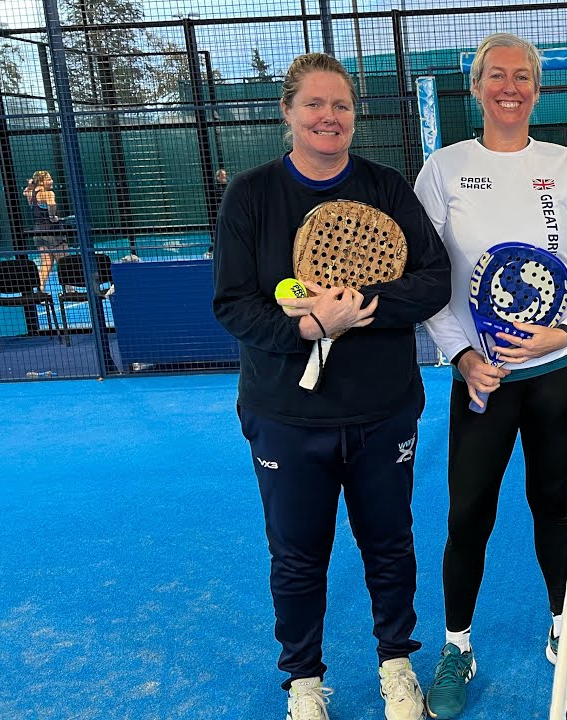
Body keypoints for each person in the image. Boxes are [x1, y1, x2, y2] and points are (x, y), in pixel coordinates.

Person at [212, 52, 451, 720]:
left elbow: (432, 279)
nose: (329, 117)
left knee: (390, 543)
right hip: (286, 415)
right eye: (314, 104)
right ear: (287, 112)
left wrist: (361, 306)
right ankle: (304, 683)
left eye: (341, 105)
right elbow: (232, 303)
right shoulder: (252, 196)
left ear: (354, 116)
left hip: (383, 410)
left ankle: (397, 665)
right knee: (296, 556)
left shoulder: (385, 187)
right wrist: (312, 326)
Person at [412, 32, 567, 720]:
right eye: (495, 75)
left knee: (551, 507)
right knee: (469, 514)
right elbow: (428, 276)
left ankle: (563, 624)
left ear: (536, 87)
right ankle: (456, 647)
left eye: (521, 76)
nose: (509, 86)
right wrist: (463, 358)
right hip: (481, 382)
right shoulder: (442, 168)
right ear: (475, 87)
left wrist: (566, 332)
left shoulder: (563, 164)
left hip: (558, 375)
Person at [24, 170, 67, 290]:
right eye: (48, 179)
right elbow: (52, 204)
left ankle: (40, 288)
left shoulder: (30, 193)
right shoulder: (48, 194)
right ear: (42, 182)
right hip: (52, 232)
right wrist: (52, 216)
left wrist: (31, 183)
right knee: (65, 262)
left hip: (38, 233)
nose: (51, 181)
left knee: (46, 263)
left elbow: (25, 191)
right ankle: (70, 290)